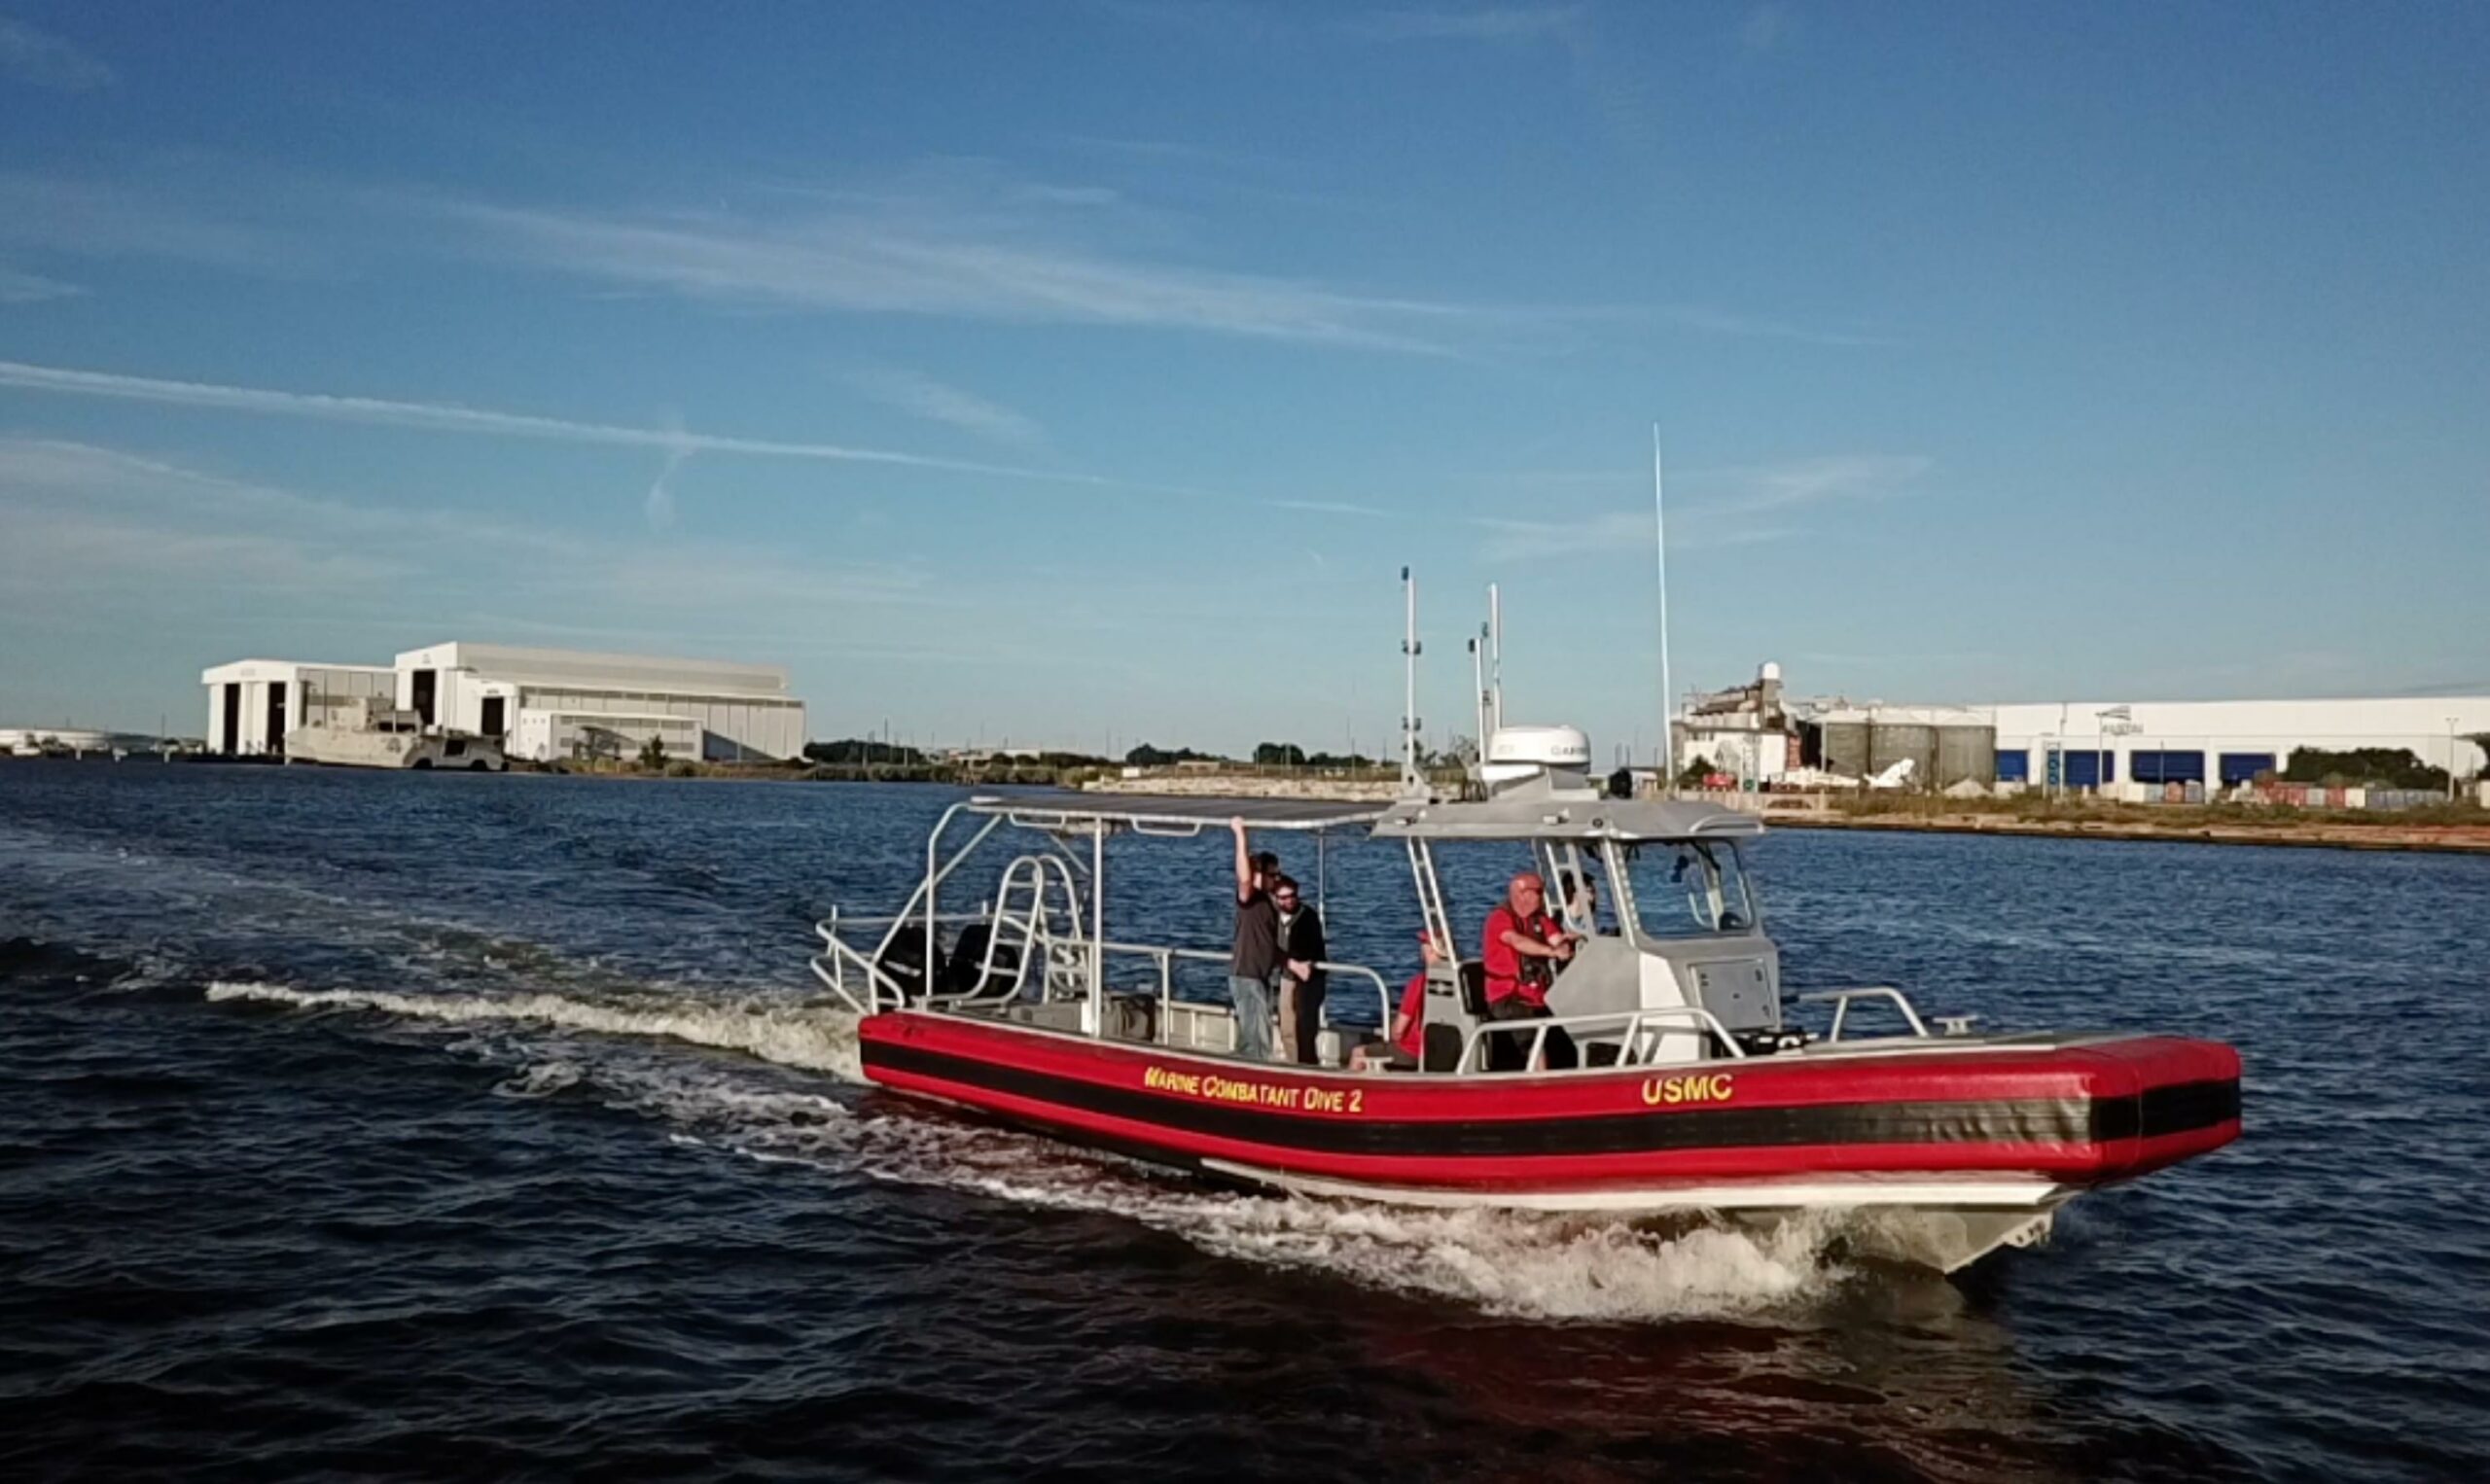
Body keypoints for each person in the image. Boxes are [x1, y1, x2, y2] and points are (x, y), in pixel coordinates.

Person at [1481, 870, 1578, 1071]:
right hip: (1508, 997)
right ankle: (1539, 1080)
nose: (1543, 896)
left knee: (1567, 1033)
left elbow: (1556, 939)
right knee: (1534, 1040)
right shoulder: (1500, 918)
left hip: (1537, 996)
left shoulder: (1539, 919)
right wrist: (1550, 952)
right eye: (1539, 892)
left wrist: (1569, 942)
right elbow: (1516, 941)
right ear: (1522, 894)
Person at [1227, 818, 1282, 1061]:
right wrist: (1241, 835)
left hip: (1261, 977)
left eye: (1277, 875)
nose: (1276, 879)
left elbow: (1271, 942)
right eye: (1272, 875)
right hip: (1248, 976)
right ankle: (1254, 1072)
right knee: (1257, 1040)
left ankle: (1240, 1068)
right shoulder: (1249, 898)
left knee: (1254, 1034)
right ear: (1258, 873)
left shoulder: (1268, 903)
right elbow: (1244, 879)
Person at [1353, 929, 1440, 1072]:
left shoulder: (1419, 983)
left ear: (1429, 951)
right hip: (1439, 1051)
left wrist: (1389, 1032)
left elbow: (1398, 1031)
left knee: (1358, 1053)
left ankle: (1350, 1085)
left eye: (1424, 944)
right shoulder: (1457, 981)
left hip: (1413, 1051)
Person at [1273, 874, 1327, 1065]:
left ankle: (1307, 1065)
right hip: (1287, 976)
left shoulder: (1308, 917)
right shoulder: (1272, 917)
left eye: (1292, 896)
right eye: (1283, 897)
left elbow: (1309, 948)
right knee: (1287, 1028)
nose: (1289, 901)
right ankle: (1293, 1062)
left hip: (1308, 979)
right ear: (1276, 898)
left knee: (1305, 1027)